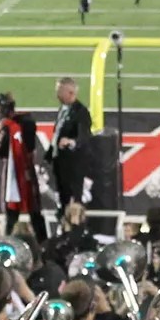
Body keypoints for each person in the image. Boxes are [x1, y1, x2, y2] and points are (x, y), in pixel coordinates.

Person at [0, 90, 48, 240]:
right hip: (28, 170)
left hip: (13, 172)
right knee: (35, 210)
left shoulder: (6, 128)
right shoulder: (28, 122)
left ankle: (8, 243)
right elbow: (31, 147)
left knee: (11, 212)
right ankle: (44, 242)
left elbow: (0, 152)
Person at [50, 74, 93, 215]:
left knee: (74, 202)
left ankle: (74, 225)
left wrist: (71, 142)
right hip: (61, 164)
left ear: (70, 92)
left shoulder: (81, 112)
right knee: (63, 201)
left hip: (73, 165)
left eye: (59, 91)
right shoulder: (63, 109)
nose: (57, 94)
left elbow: (84, 136)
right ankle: (64, 221)